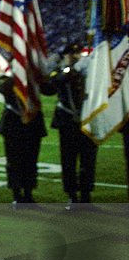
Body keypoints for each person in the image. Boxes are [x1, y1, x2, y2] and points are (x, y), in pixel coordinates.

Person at [40, 43, 96, 208]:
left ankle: (86, 195)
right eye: (71, 53)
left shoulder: (87, 69)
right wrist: (67, 67)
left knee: (88, 159)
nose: (75, 56)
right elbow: (51, 85)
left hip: (87, 120)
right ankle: (72, 195)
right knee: (69, 160)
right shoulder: (62, 71)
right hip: (67, 122)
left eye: (77, 52)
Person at [0, 74, 47, 206]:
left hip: (33, 122)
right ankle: (16, 194)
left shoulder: (34, 71)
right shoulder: (8, 75)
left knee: (31, 160)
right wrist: (17, 75)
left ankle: (29, 193)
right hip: (13, 123)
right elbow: (1, 87)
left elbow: (47, 89)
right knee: (13, 161)